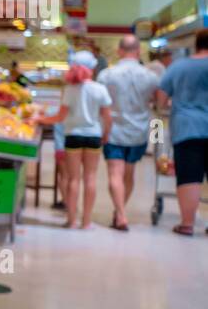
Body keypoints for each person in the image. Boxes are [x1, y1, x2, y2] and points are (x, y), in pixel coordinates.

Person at [33, 51, 113, 229]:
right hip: (94, 136)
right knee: (90, 178)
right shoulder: (100, 89)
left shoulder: (69, 90)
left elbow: (60, 117)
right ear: (92, 68)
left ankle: (71, 219)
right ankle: (86, 221)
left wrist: (41, 119)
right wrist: (106, 134)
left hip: (73, 136)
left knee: (73, 179)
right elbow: (108, 117)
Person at [97, 34, 160, 231]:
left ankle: (121, 214)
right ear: (138, 51)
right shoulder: (151, 77)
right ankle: (119, 212)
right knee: (129, 173)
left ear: (119, 51)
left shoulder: (106, 75)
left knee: (115, 173)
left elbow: (100, 105)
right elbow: (157, 102)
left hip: (113, 130)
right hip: (138, 131)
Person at [157, 28, 208, 235]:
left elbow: (161, 98)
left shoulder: (179, 67)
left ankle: (187, 224)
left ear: (195, 44)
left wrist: (166, 106)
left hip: (187, 127)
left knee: (189, 176)